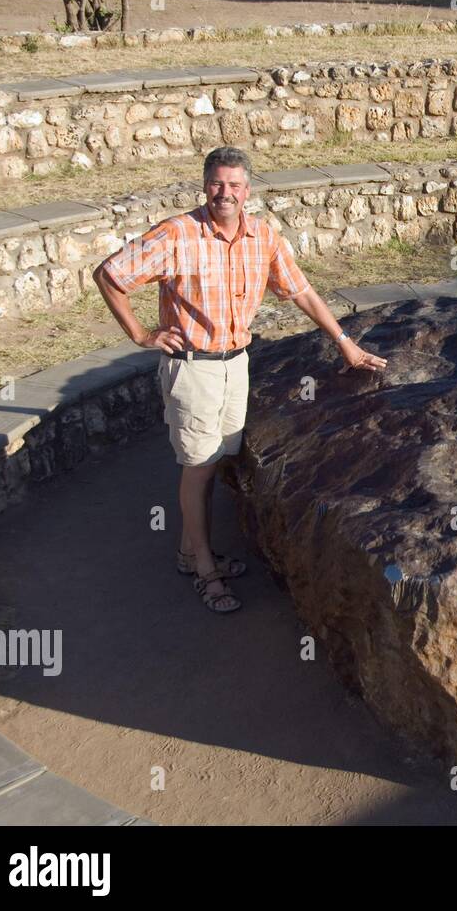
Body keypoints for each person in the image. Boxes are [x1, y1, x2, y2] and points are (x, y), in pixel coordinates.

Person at [92, 146, 387, 613]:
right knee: (199, 466)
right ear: (204, 185)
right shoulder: (178, 234)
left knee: (216, 458)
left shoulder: (262, 237)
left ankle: (191, 553)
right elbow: (110, 275)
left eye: (233, 185)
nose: (224, 193)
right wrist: (141, 333)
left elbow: (301, 291)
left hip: (236, 364)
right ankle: (205, 568)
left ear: (247, 191)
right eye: (216, 183)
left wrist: (344, 341)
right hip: (193, 366)